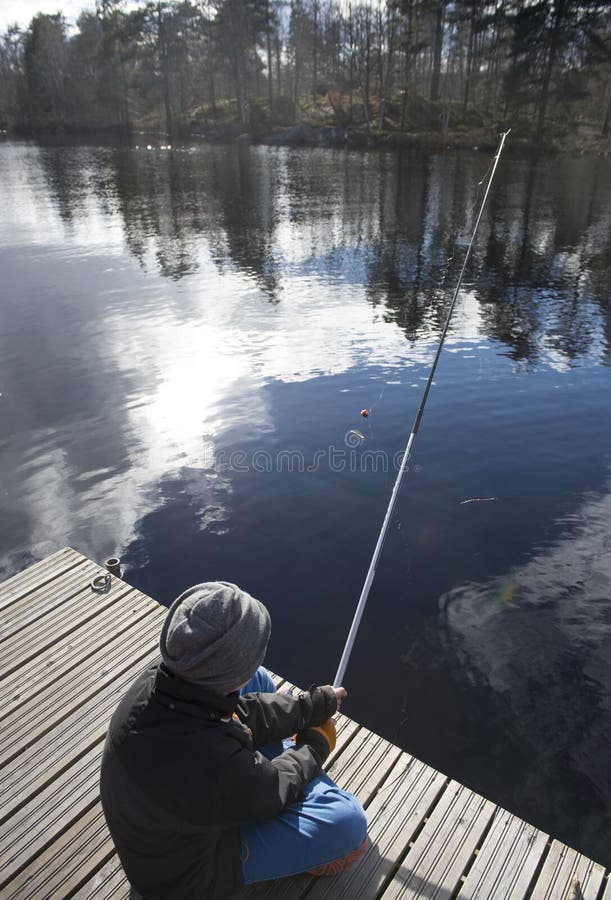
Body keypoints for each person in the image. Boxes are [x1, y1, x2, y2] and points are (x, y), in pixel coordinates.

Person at [100, 581, 368, 899]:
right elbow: (271, 789)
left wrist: (309, 706)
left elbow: (234, 709)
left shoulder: (159, 680)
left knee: (259, 680)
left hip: (171, 823)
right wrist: (315, 743)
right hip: (186, 878)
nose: (260, 655)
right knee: (348, 824)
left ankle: (277, 757)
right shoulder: (210, 760)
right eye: (255, 653)